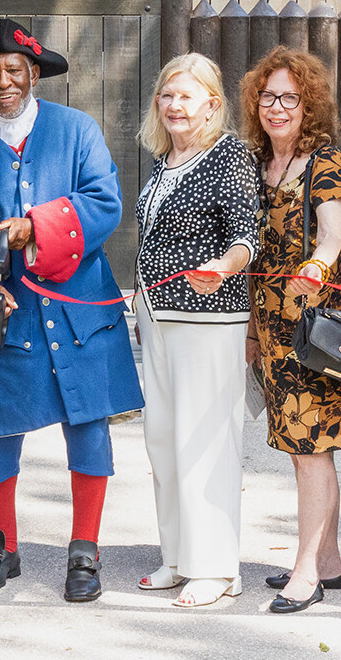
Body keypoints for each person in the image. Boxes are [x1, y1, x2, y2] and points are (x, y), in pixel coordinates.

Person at [0, 17, 144, 603]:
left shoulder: (78, 131)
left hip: (80, 310)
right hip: (7, 314)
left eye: (12, 69)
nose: (3, 80)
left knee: (89, 426)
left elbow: (104, 202)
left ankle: (85, 549)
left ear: (33, 73)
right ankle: (1, 543)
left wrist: (38, 226)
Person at [132, 52, 259, 608]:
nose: (174, 105)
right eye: (167, 95)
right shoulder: (165, 164)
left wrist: (224, 268)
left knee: (205, 440)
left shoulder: (228, 156)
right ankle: (179, 557)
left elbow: (245, 235)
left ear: (213, 103)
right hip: (158, 319)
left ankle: (216, 567)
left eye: (186, 96)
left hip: (209, 319)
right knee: (163, 438)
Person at [242, 46, 341, 614]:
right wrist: (249, 330)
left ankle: (306, 572)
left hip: (315, 329)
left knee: (312, 451)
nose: (277, 107)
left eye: (290, 97)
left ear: (308, 103)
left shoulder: (326, 162)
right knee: (300, 451)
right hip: (270, 327)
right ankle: (331, 563)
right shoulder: (257, 163)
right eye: (268, 96)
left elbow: (332, 240)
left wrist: (313, 268)